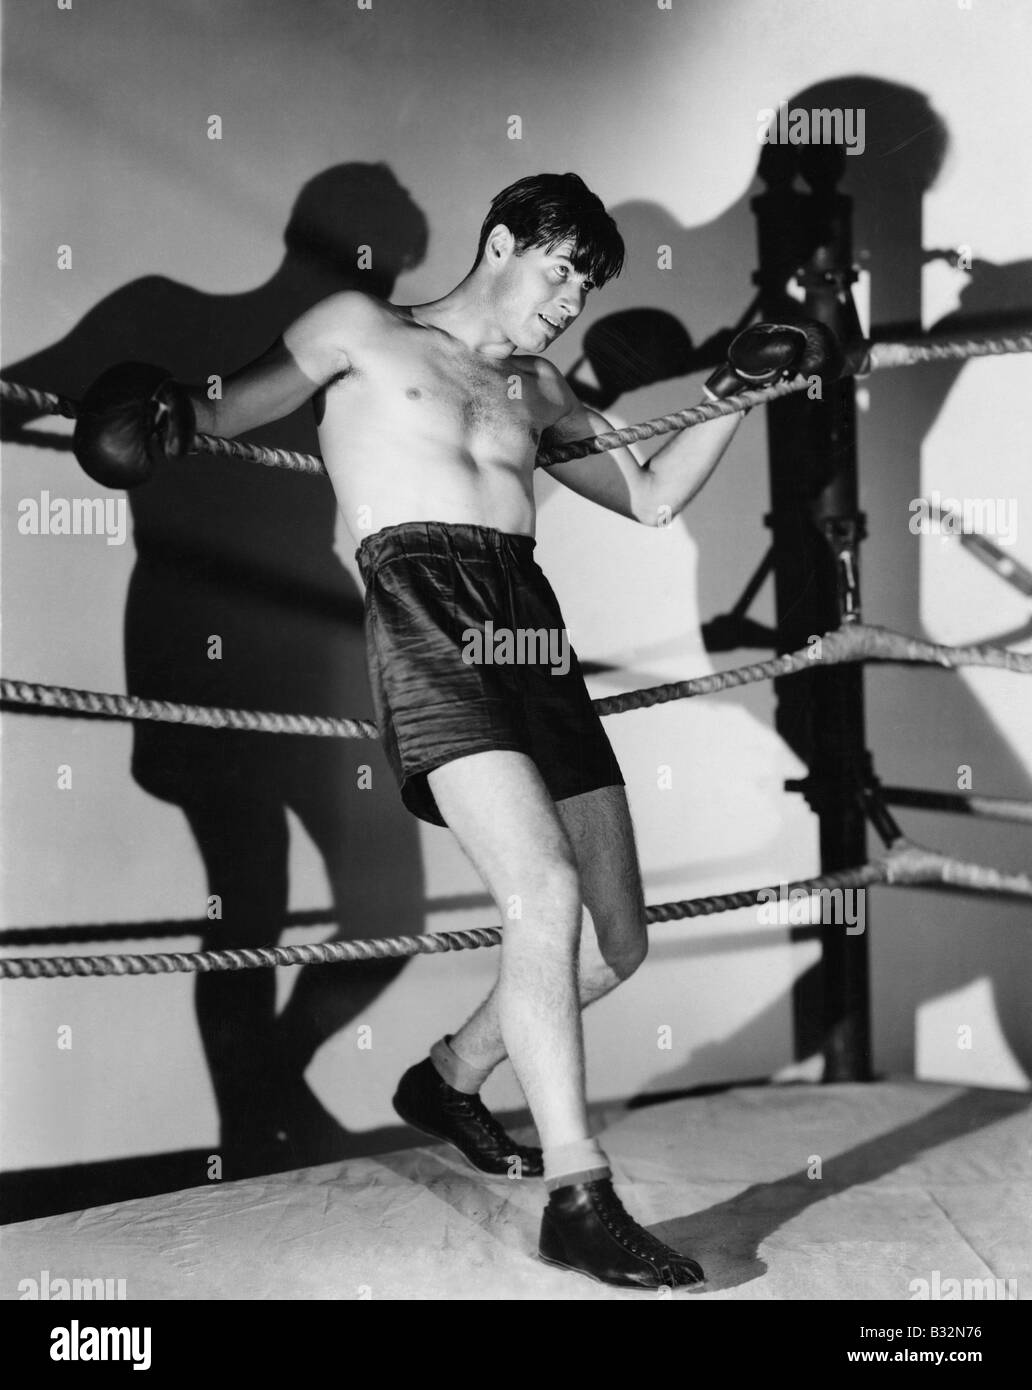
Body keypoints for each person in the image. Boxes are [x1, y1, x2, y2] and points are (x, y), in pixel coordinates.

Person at [74, 171, 838, 1290]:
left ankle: (449, 1077)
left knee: (617, 942)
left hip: (531, 626)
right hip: (425, 613)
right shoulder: (361, 328)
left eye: (585, 287)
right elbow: (221, 409)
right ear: (502, 243)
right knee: (542, 888)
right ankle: (578, 1194)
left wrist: (735, 387)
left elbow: (652, 499)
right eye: (561, 270)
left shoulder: (540, 387)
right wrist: (162, 414)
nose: (569, 301)